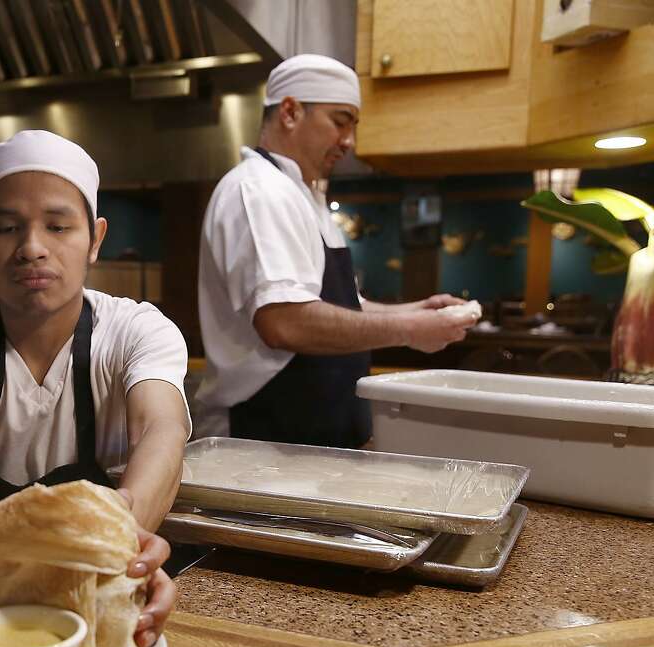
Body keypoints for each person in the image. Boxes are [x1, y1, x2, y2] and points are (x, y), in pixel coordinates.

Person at [0, 130, 190, 647]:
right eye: (6, 228)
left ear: (95, 238)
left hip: (99, 592)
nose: (31, 248)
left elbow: (161, 431)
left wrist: (117, 544)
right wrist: (11, 549)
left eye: (57, 226)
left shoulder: (138, 331)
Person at [194, 54, 475, 448]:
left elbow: (341, 305)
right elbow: (285, 321)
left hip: (314, 433)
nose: (349, 142)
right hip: (260, 437)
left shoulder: (303, 197)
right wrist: (410, 330)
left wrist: (417, 311)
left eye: (353, 126)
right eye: (340, 122)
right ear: (290, 112)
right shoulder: (258, 191)